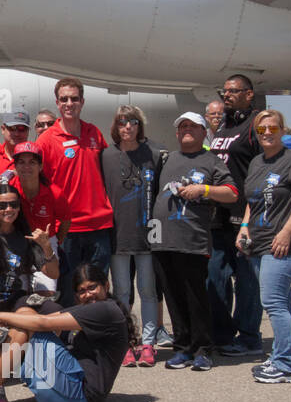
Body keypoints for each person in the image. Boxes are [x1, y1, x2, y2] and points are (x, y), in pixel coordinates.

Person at [0, 264, 131, 402]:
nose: (88, 294)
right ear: (76, 296)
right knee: (25, 314)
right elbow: (47, 318)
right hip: (64, 392)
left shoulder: (107, 310)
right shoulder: (90, 310)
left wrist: (0, 317)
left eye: (92, 287)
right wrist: (13, 319)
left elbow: (43, 323)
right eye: (82, 291)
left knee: (28, 324)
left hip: (78, 397)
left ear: (106, 286)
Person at [152, 113, 239, 371]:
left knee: (196, 297)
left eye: (192, 126)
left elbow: (232, 193)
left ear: (204, 132)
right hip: (162, 239)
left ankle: (202, 348)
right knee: (173, 297)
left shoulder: (211, 161)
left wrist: (204, 190)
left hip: (193, 240)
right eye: (182, 127)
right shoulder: (167, 159)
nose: (187, 130)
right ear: (177, 133)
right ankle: (182, 348)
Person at [238, 109, 291, 383]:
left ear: (283, 130)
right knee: (281, 301)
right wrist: (244, 227)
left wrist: (285, 232)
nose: (268, 133)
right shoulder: (257, 163)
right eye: (262, 130)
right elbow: (253, 200)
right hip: (259, 245)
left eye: (273, 128)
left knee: (272, 301)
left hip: (284, 246)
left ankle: (285, 365)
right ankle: (289, 358)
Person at [36, 77, 113, 302]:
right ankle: (70, 336)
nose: (70, 103)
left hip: (99, 226)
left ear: (82, 101)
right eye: (64, 99)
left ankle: (97, 334)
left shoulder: (94, 133)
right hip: (67, 229)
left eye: (74, 99)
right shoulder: (46, 140)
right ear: (57, 103)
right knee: (70, 289)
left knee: (98, 288)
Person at [100, 106, 164, 367]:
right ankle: (127, 341)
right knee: (122, 291)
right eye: (123, 122)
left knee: (148, 291)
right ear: (116, 126)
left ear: (140, 126)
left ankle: (148, 343)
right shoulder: (105, 156)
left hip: (148, 235)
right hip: (118, 234)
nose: (128, 127)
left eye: (133, 122)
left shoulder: (155, 154)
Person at [206, 74, 264, 356]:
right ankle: (222, 333)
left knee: (247, 280)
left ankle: (250, 336)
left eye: (233, 91)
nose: (226, 95)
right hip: (218, 217)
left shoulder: (255, 125)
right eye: (224, 91)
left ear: (249, 94)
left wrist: (250, 218)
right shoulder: (224, 125)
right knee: (215, 277)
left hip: (247, 218)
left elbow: (264, 171)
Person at [0, 183, 59, 361]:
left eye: (14, 204)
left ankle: (39, 362)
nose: (8, 209)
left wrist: (47, 247)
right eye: (2, 205)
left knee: (54, 310)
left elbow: (53, 273)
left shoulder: (25, 234)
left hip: (14, 301)